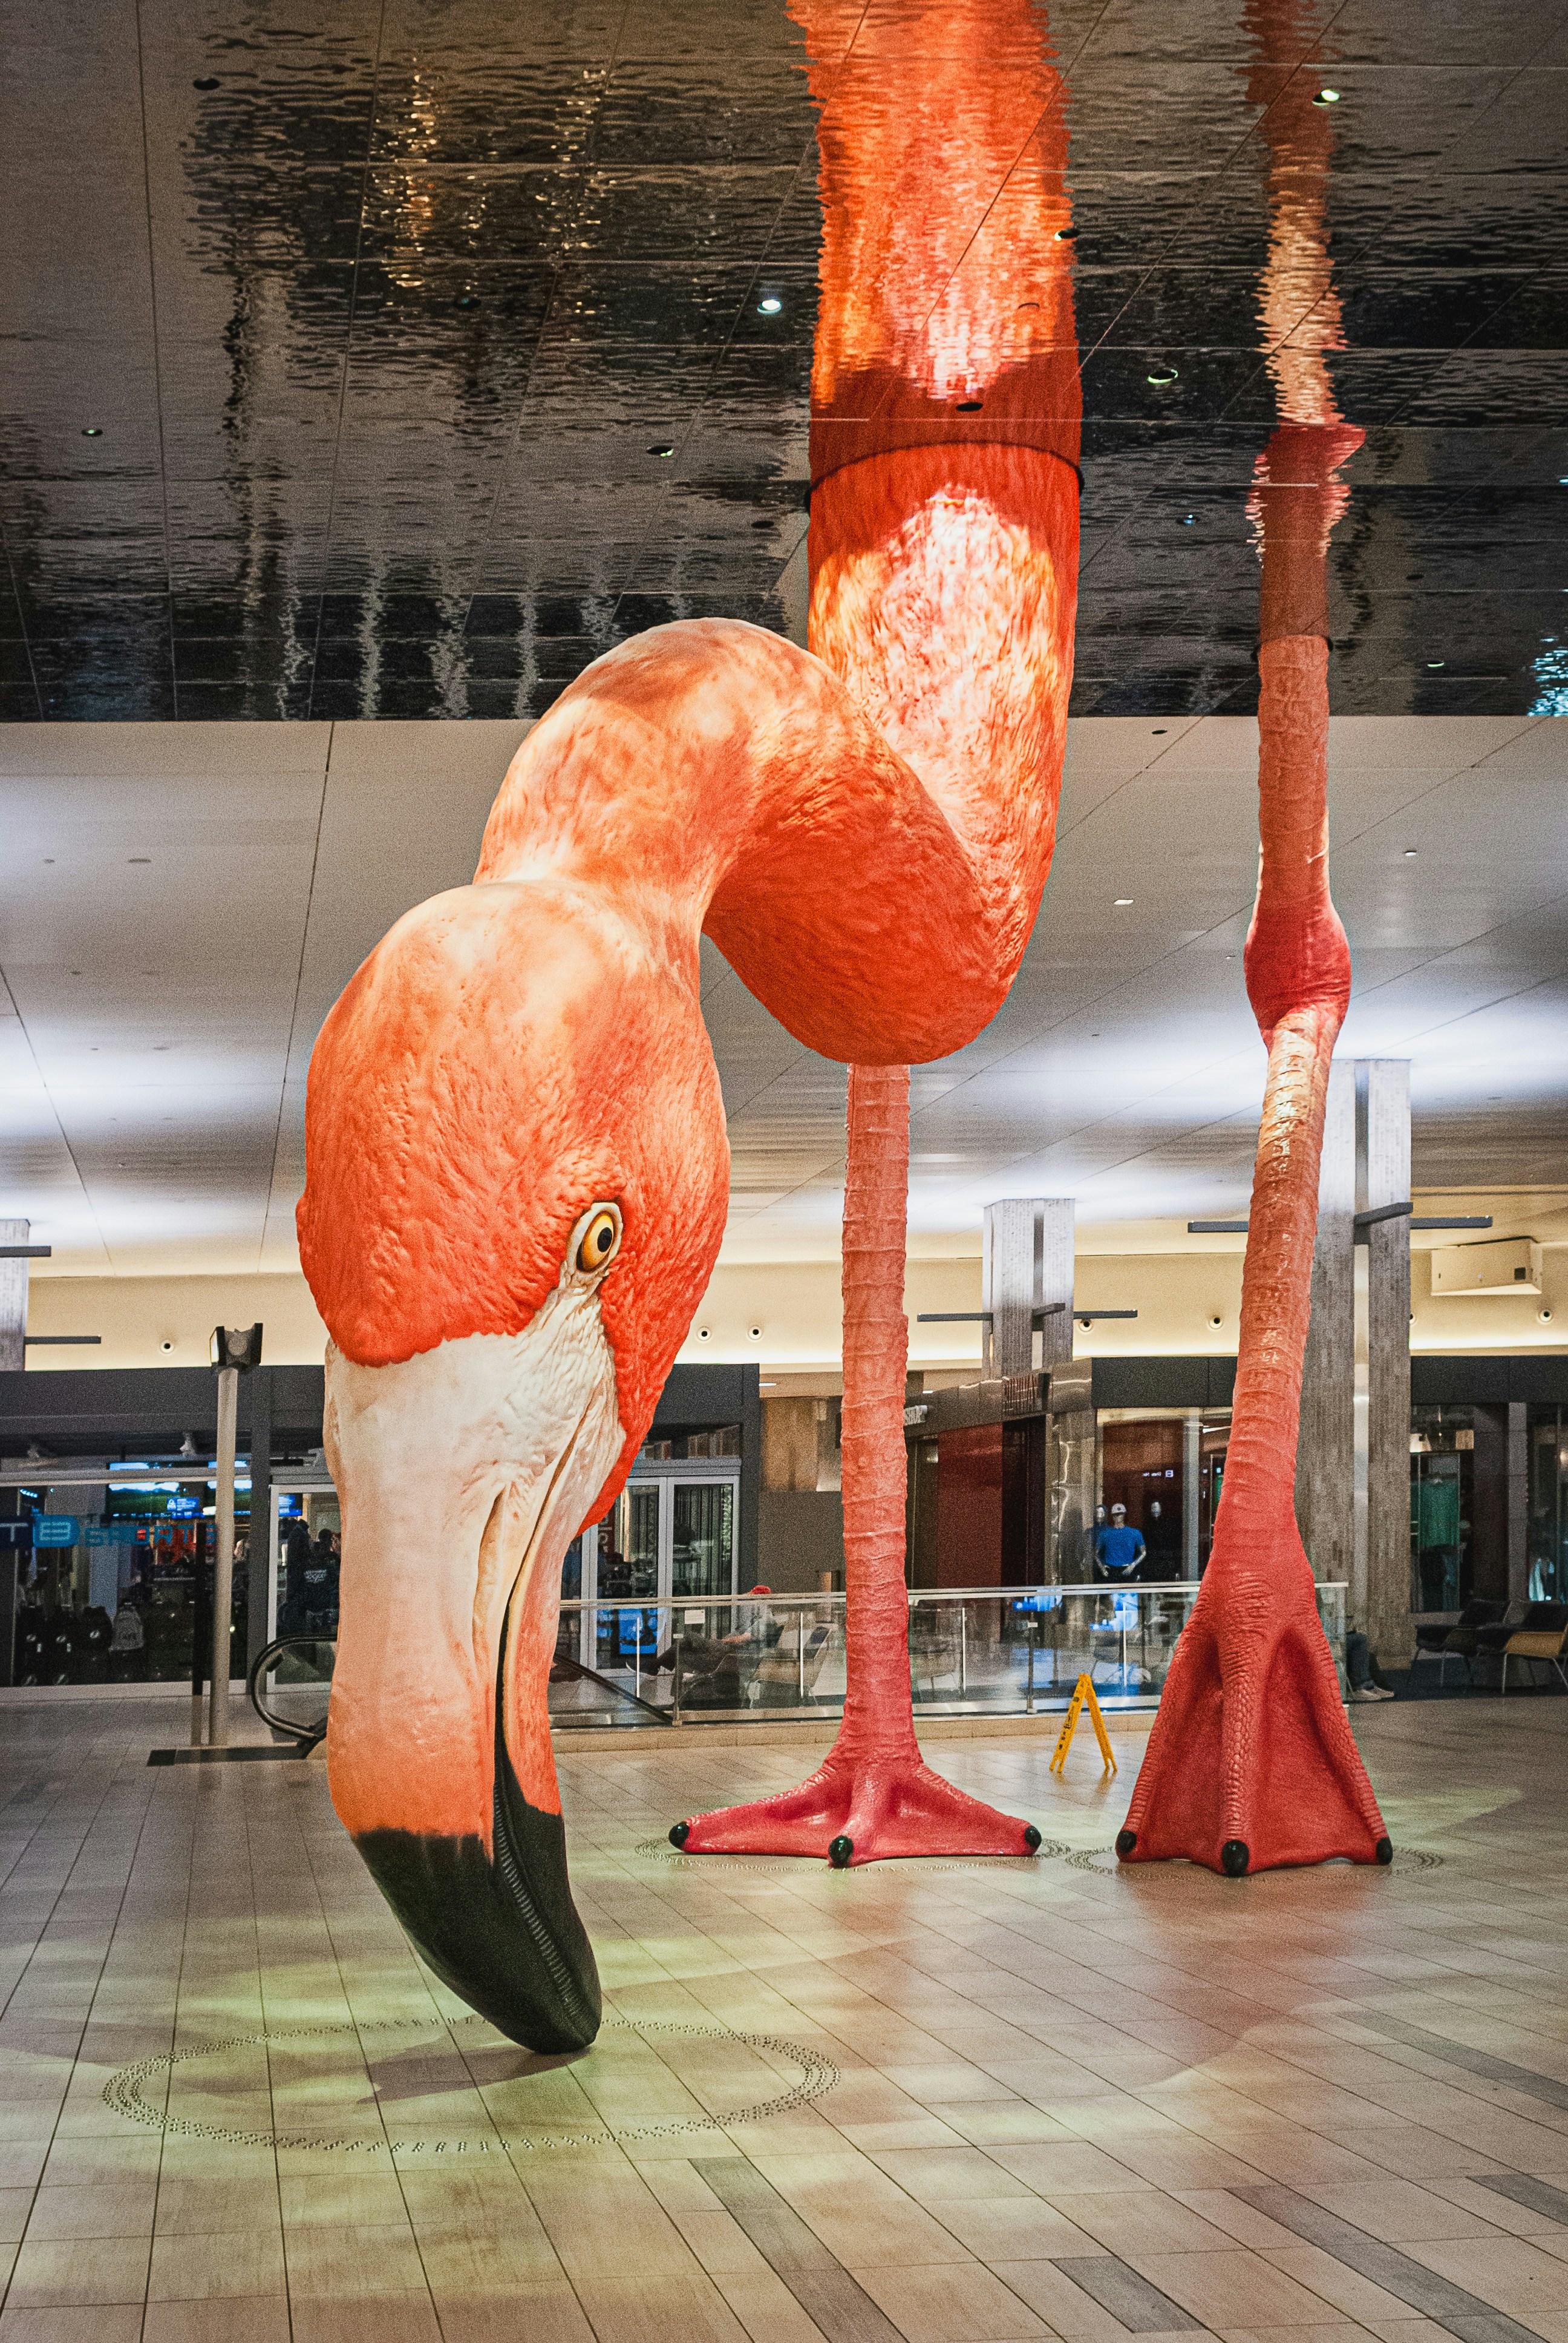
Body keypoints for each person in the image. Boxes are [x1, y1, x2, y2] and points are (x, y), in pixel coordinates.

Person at [1094, 1503, 1145, 1581]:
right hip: (1110, 1571)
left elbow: (1144, 1552)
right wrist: (1102, 1568)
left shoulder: (1135, 1533)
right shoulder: (1105, 1533)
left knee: (1128, 1592)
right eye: (1115, 1515)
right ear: (1112, 1516)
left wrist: (1133, 1565)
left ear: (1124, 1515)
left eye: (1120, 1514)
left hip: (1127, 1570)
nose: (1117, 1517)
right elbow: (1095, 1553)